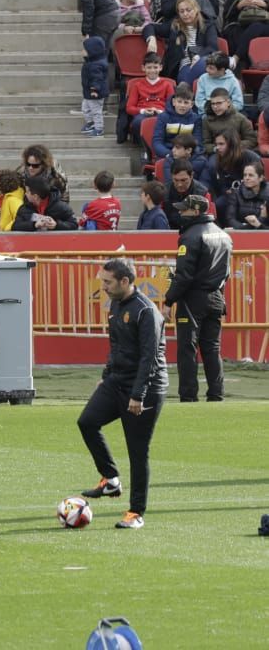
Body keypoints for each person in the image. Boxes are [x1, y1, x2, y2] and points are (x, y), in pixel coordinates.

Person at [76, 259, 167, 530]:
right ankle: (110, 479)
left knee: (138, 452)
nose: (102, 286)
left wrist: (138, 395)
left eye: (107, 282)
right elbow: (116, 347)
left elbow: (149, 358)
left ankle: (136, 513)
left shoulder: (146, 312)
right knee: (87, 422)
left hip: (146, 389)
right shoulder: (115, 305)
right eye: (102, 281)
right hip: (117, 381)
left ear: (125, 282)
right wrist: (106, 379)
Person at [164, 194, 232, 403]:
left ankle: (188, 396)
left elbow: (184, 276)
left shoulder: (191, 236)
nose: (180, 212)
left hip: (192, 299)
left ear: (195, 211)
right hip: (216, 297)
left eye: (184, 209)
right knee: (212, 348)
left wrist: (168, 301)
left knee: (187, 348)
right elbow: (226, 273)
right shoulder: (224, 236)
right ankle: (216, 394)